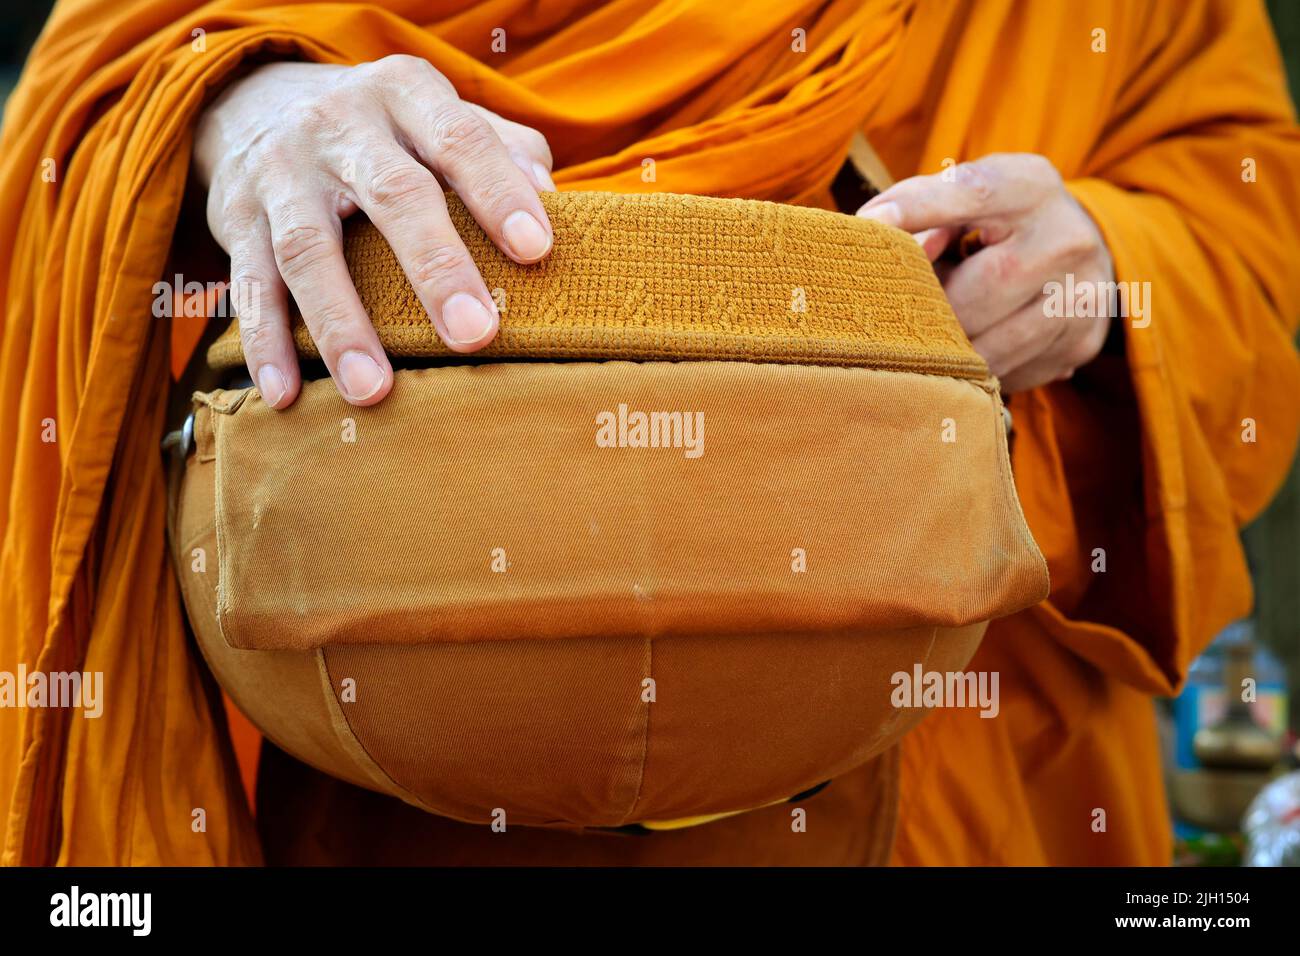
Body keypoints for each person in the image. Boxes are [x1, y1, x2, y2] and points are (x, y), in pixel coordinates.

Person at [1, 0, 1297, 865]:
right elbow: (94, 86)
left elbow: (1243, 214)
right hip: (350, 774)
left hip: (964, 761)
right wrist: (241, 111)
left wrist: (1113, 271)